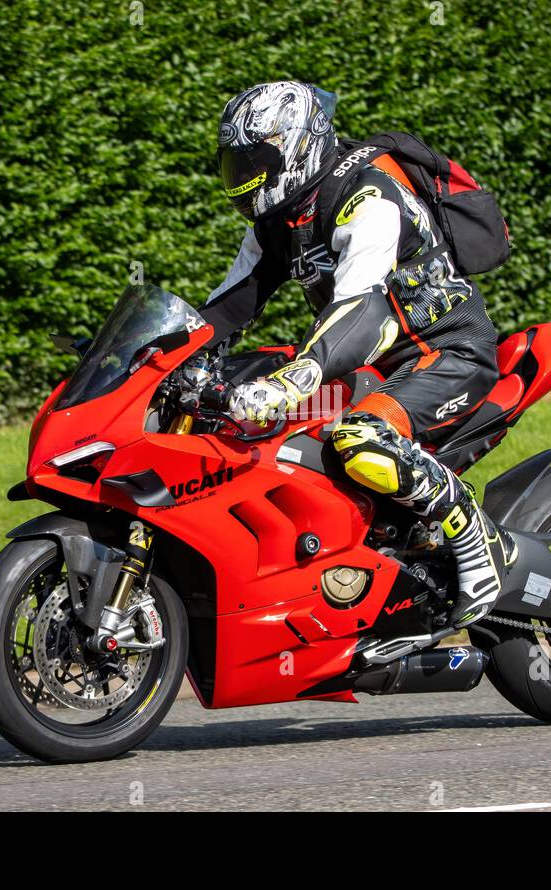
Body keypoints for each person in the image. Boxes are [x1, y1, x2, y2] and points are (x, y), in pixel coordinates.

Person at [201, 81, 512, 628]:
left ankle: (473, 532)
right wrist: (149, 360)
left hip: (445, 352)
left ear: (296, 147)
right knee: (249, 428)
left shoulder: (366, 194)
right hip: (371, 363)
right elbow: (227, 307)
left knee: (359, 439)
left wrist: (300, 375)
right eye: (235, 165)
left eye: (254, 162)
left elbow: (362, 307)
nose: (243, 178)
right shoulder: (278, 221)